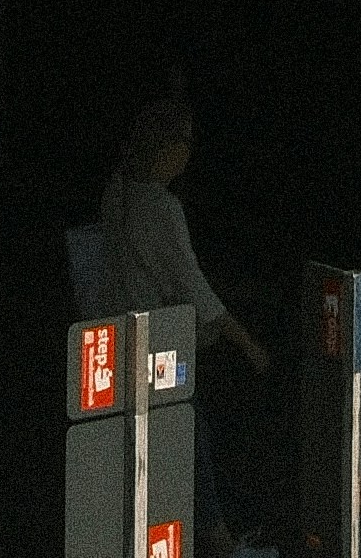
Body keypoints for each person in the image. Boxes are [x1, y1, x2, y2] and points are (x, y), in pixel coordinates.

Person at [92, 91, 278, 538]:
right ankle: (213, 534)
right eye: (186, 140)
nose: (190, 151)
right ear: (168, 147)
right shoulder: (160, 207)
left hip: (115, 336)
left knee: (165, 433)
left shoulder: (118, 189)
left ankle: (192, 528)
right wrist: (248, 344)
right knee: (186, 428)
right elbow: (194, 286)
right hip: (158, 342)